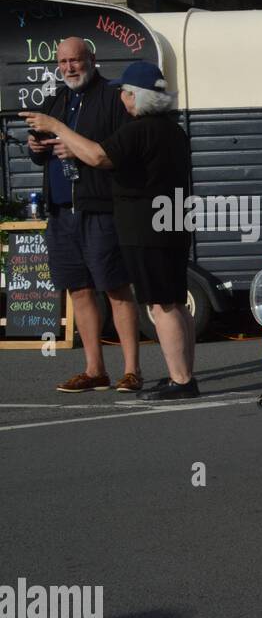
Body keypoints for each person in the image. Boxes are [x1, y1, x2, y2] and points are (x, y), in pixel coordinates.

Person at [25, 60, 198, 401]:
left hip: (147, 228)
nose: (121, 97)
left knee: (161, 305)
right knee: (175, 301)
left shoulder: (140, 129)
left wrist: (58, 127)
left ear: (137, 96)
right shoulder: (172, 129)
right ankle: (183, 374)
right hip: (172, 221)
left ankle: (181, 380)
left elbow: (98, 155)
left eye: (125, 92)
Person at [26, 37, 141, 393]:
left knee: (115, 289)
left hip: (100, 208)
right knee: (78, 290)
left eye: (74, 61)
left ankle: (132, 370)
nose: (68, 68)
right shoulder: (56, 101)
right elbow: (43, 153)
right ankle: (95, 370)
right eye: (62, 62)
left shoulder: (112, 96)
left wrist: (72, 145)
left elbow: (118, 150)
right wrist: (36, 148)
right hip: (62, 212)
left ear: (91, 59)